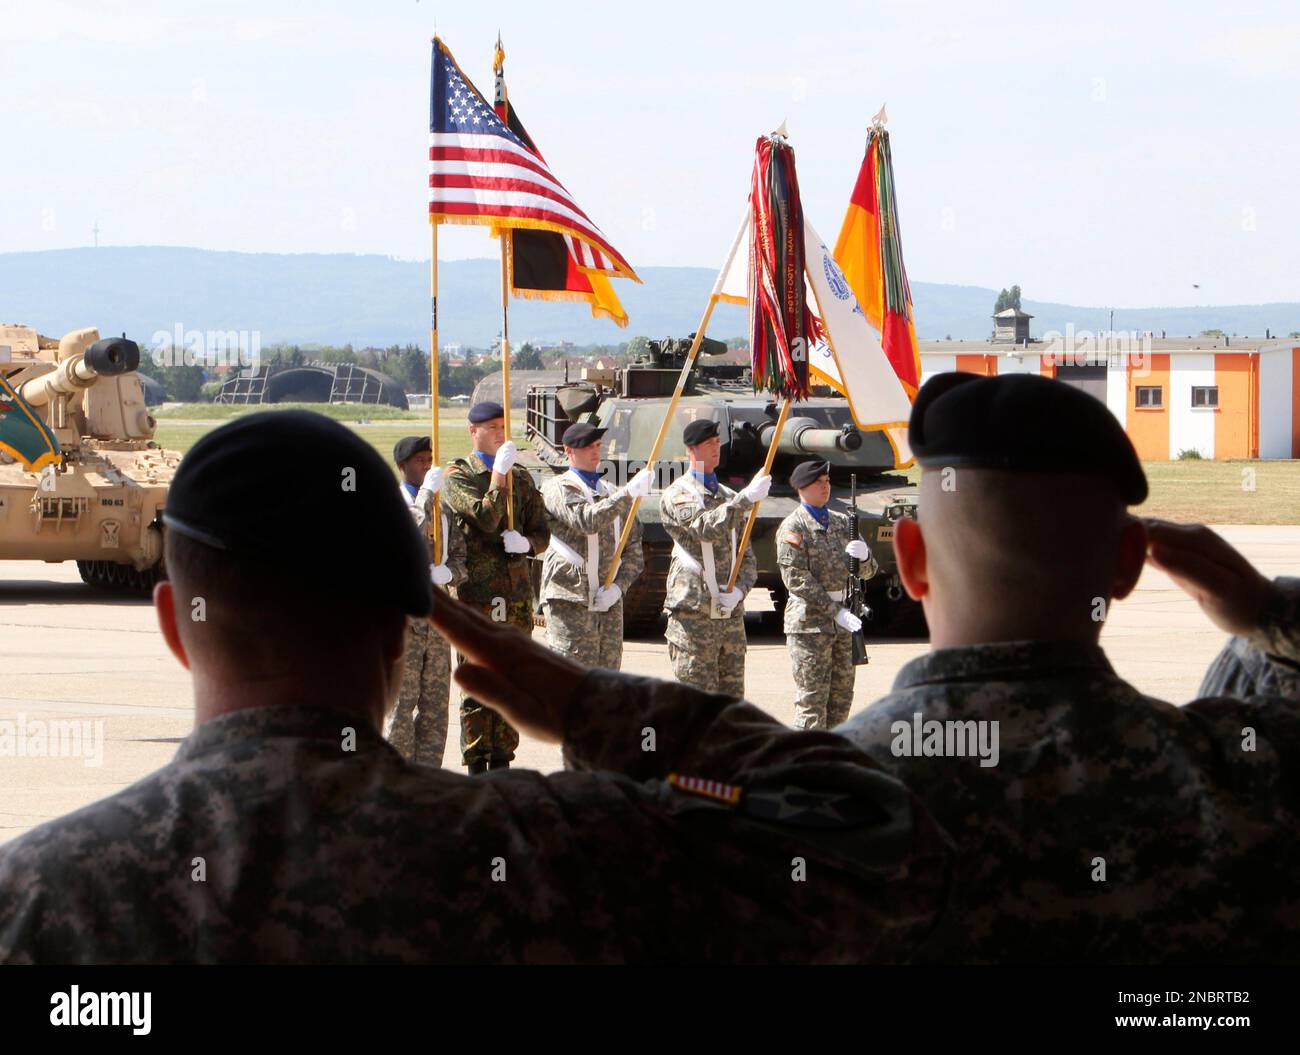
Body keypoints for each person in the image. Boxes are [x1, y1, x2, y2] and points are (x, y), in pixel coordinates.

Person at [0, 409, 954, 965]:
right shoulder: (542, 845)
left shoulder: (43, 898)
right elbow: (873, 834)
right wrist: (589, 701)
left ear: (174, 624)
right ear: (403, 624)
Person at [838, 372, 1300, 963]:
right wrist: (1269, 613)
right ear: (1130, 564)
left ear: (910, 557)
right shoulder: (1248, 778)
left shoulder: (831, 794)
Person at [441, 401, 549, 773]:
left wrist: (529, 545)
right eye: (491, 427)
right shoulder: (459, 474)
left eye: (503, 426)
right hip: (479, 597)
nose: (500, 433)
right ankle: (476, 764)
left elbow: (543, 531)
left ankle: (502, 761)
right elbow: (486, 519)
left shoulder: (522, 477)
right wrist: (498, 474)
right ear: (473, 431)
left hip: (517, 596)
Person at [659, 418, 770, 697]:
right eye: (709, 443)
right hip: (694, 614)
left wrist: (742, 590)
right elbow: (703, 528)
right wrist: (744, 500)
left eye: (717, 442)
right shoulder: (678, 495)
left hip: (729, 616)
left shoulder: (728, 496)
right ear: (691, 450)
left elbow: (745, 555)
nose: (715, 448)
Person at [539, 422, 653, 668]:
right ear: (569, 451)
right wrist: (627, 494)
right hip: (571, 602)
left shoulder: (611, 493)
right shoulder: (557, 488)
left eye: (598, 445)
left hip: (608, 605)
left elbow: (633, 548)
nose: (594, 451)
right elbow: (585, 520)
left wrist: (618, 588)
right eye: (587, 446)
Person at [383, 435, 467, 766]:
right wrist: (428, 494)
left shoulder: (441, 509)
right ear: (403, 466)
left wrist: (451, 574)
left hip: (436, 620)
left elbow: (460, 554)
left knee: (435, 708)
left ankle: (428, 779)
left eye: (430, 458)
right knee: (401, 707)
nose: (427, 464)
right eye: (420, 460)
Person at [777, 460, 878, 730]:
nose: (825, 487)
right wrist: (836, 611)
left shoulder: (844, 523)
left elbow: (868, 572)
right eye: (818, 482)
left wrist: (865, 556)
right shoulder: (793, 527)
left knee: (841, 701)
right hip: (810, 626)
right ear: (802, 487)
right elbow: (796, 578)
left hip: (843, 627)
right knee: (812, 705)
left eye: (827, 481)